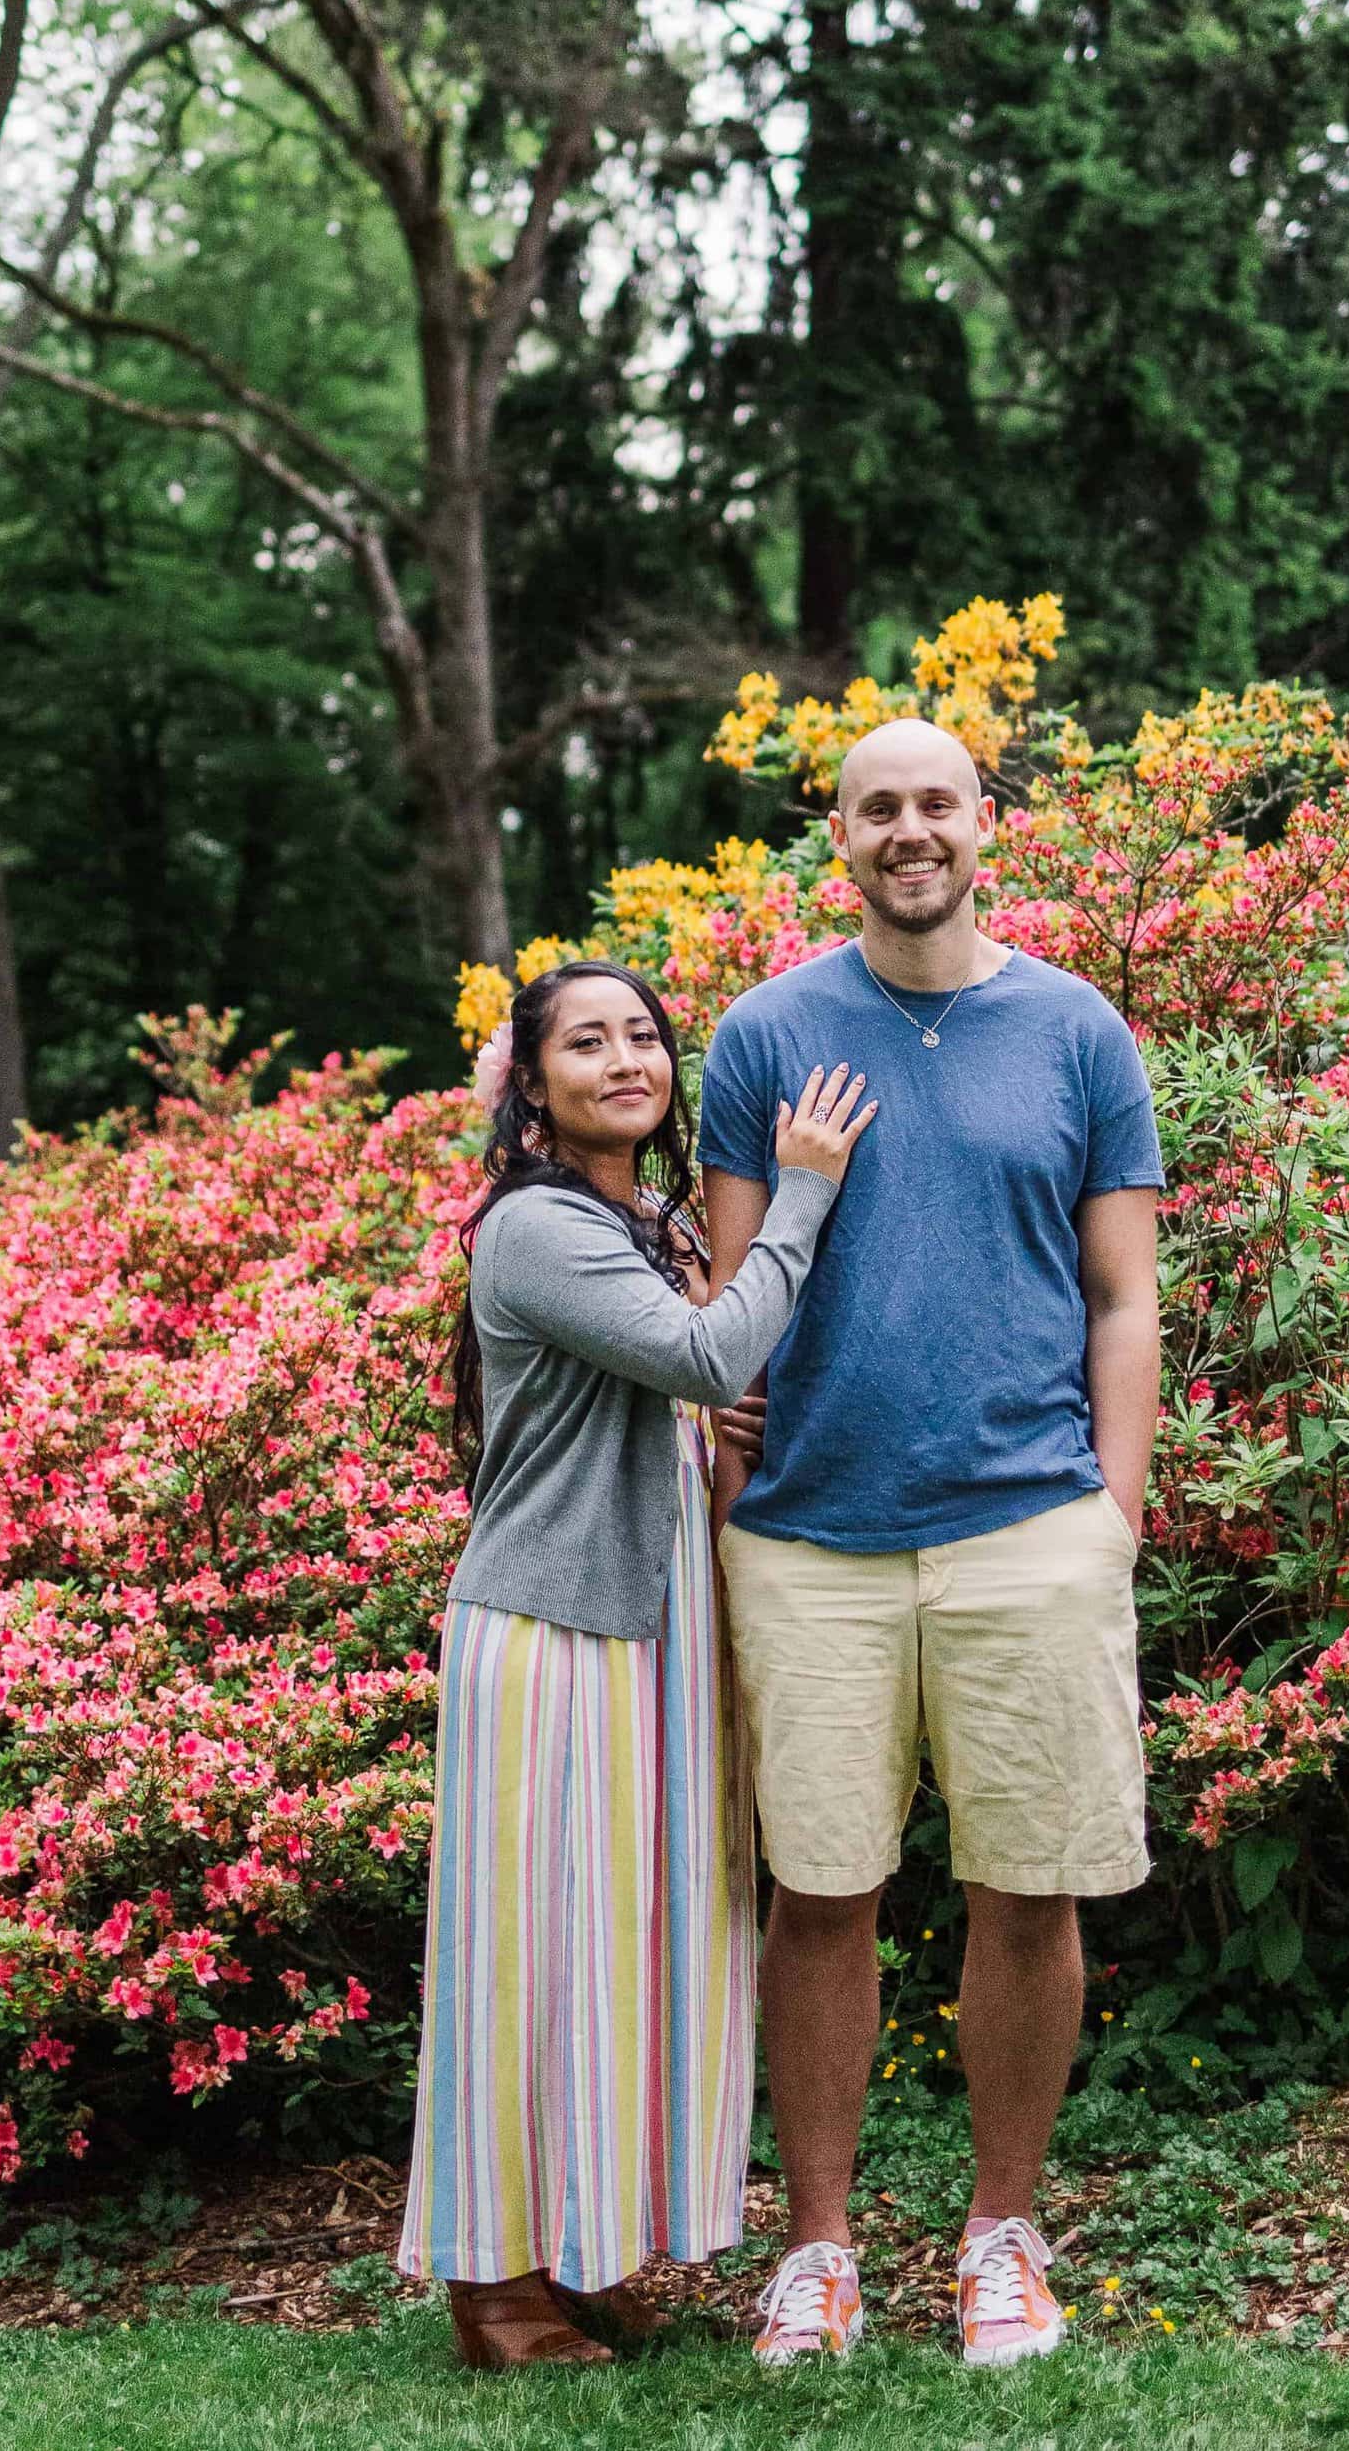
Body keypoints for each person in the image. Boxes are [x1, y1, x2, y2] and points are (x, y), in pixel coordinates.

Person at [700, 719, 1163, 2373]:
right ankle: (817, 2255)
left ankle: (1001, 2239)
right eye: (879, 807)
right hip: (812, 1538)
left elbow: (1125, 1297)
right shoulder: (766, 1035)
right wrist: (726, 1441)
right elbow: (735, 1308)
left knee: (1026, 1898)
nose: (912, 830)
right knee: (819, 1896)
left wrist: (1113, 1511)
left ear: (987, 824)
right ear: (842, 837)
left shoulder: (1079, 1031)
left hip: (1033, 1528)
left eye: (937, 803)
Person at [397, 957, 876, 2371]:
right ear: (532, 1089)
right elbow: (709, 1349)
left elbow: (703, 1383)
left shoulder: (652, 1220)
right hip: (552, 1637)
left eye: (646, 1037)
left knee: (622, 1953)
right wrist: (801, 1190)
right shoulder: (538, 1229)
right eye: (587, 1042)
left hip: (656, 1631)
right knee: (525, 1959)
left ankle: (580, 2254)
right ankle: (492, 2288)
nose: (628, 1060)